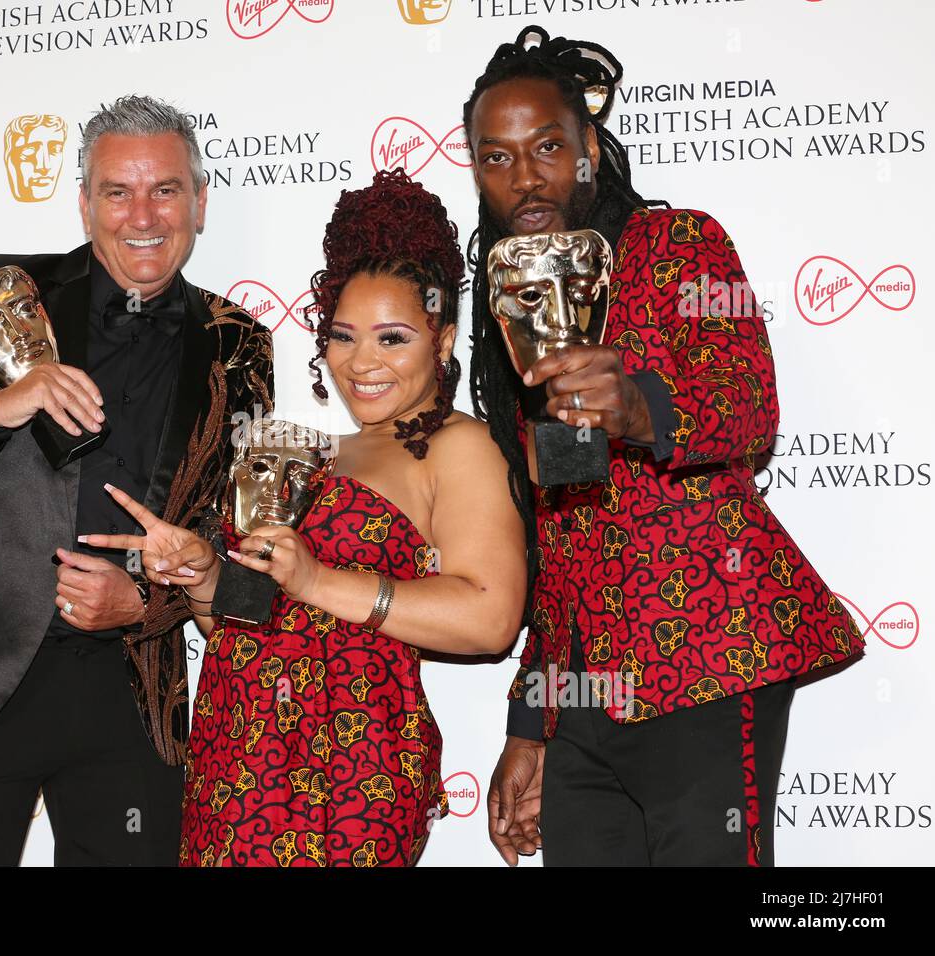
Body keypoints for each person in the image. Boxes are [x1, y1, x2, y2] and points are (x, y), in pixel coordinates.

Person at [0, 95, 274, 866]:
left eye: (165, 189)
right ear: (83, 204)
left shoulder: (241, 346)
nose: (143, 214)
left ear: (199, 202)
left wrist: (148, 601)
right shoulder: (6, 293)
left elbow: (243, 556)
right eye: (117, 191)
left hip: (133, 701)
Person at [462, 26, 866, 866]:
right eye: (496, 158)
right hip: (588, 703)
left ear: (590, 152)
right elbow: (563, 537)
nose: (525, 176)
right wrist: (532, 724)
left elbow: (749, 405)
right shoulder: (513, 311)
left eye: (546, 146)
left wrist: (638, 408)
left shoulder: (676, 245)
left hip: (709, 660)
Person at [80, 169, 528, 866]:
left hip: (349, 772)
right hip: (234, 762)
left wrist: (317, 579)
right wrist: (202, 578)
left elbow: (489, 617)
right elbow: (251, 617)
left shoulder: (456, 445)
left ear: (442, 344)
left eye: (393, 338)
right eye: (344, 337)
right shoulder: (302, 453)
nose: (362, 363)